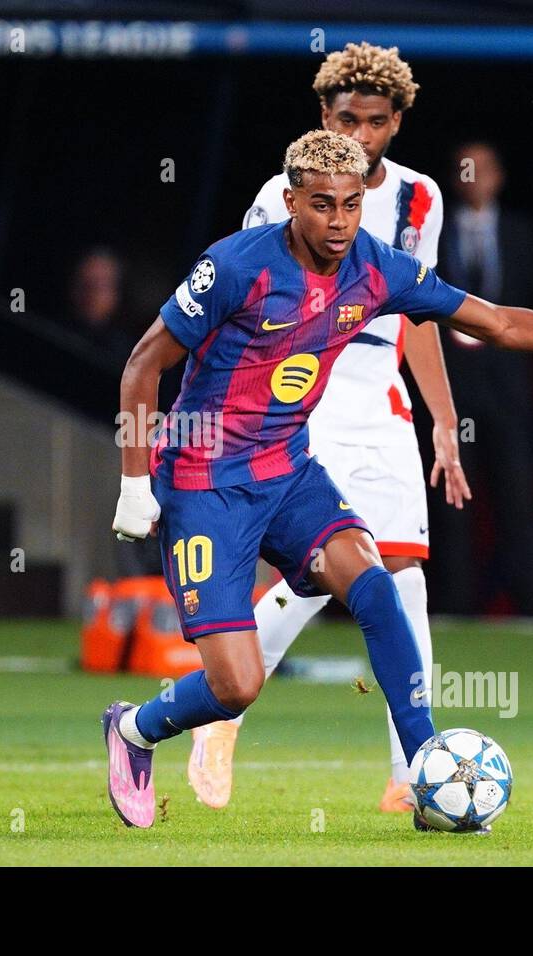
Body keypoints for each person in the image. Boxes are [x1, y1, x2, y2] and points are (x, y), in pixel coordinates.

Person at [103, 130, 533, 830]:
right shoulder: (234, 267)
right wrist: (135, 485)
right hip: (204, 481)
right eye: (322, 206)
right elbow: (143, 364)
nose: (339, 222)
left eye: (351, 206)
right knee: (236, 686)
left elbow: (497, 323)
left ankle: (425, 774)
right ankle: (135, 730)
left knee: (378, 584)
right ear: (289, 202)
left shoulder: (377, 268)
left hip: (288, 468)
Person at [190, 42, 467, 814]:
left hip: (380, 392)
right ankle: (224, 707)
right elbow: (244, 300)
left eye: (378, 122)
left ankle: (411, 772)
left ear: (397, 122)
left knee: (402, 578)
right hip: (303, 383)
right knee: (335, 568)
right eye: (349, 119)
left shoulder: (421, 200)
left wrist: (443, 420)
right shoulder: (284, 192)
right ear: (324, 116)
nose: (364, 135)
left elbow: (421, 313)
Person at [432, 141, 533, 616]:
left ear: (499, 176)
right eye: (463, 167)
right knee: (451, 499)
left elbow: (526, 310)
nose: (473, 175)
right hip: (453, 386)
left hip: (507, 390)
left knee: (517, 496)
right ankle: (455, 606)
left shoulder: (522, 232)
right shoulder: (436, 232)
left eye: (482, 167)